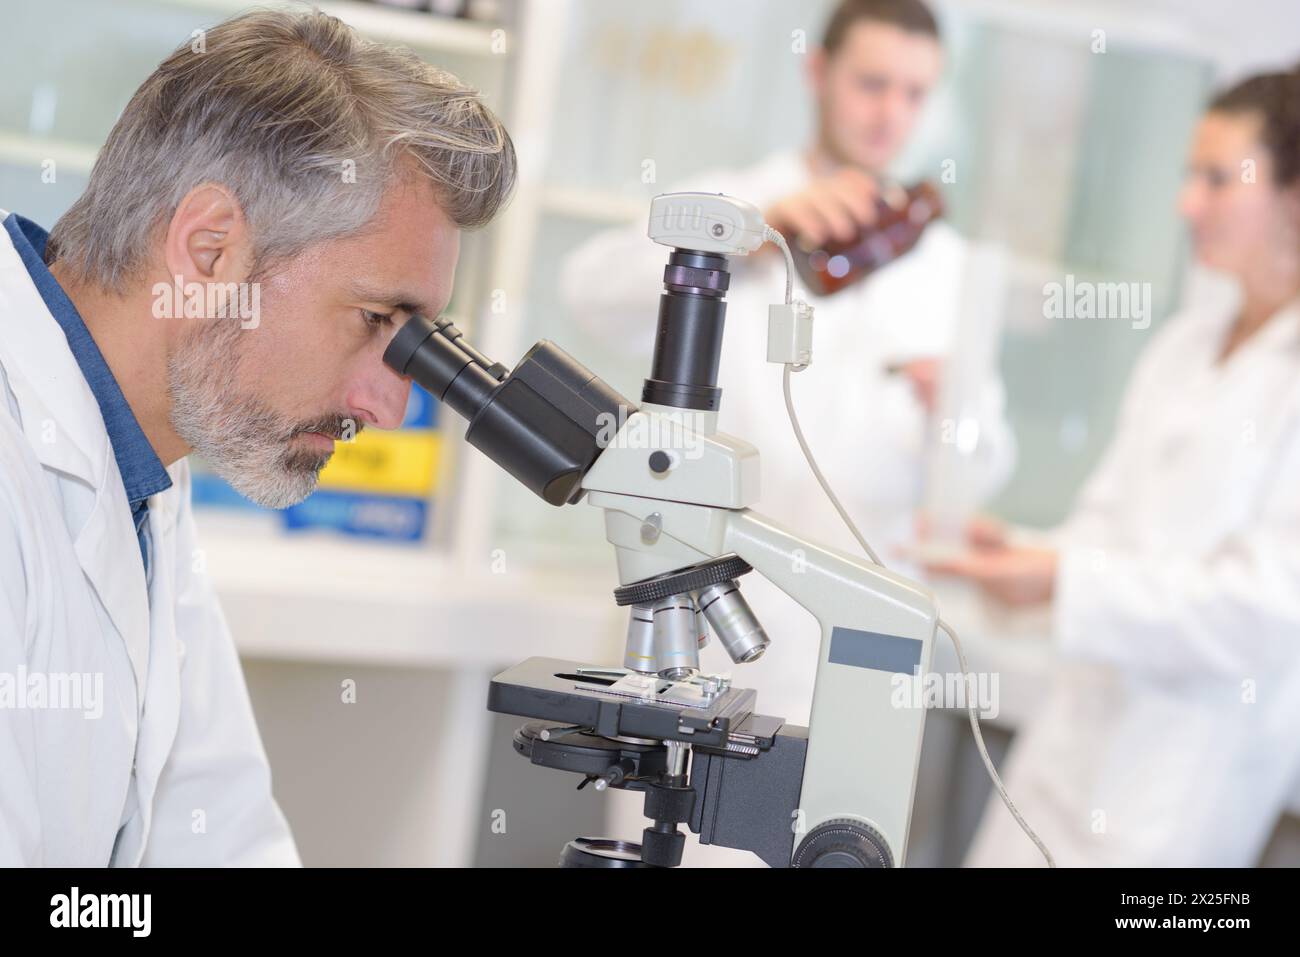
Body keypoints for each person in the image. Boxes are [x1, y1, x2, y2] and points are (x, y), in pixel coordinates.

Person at [0, 10, 515, 865]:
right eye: (377, 319)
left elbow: (222, 829)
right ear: (208, 254)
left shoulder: (143, 469)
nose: (391, 405)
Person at [560, 0, 1014, 727]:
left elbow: (983, 467)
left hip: (871, 623)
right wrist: (758, 227)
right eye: (872, 83)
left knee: (838, 833)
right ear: (818, 71)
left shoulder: (946, 266)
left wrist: (950, 412)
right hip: (717, 598)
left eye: (914, 92)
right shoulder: (736, 204)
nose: (890, 112)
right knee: (686, 824)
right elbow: (589, 291)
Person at [932, 66, 1300, 866]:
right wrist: (1024, 553)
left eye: (1216, 179)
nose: (1185, 205)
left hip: (1180, 779)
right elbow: (1103, 526)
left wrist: (1066, 581)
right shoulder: (1182, 346)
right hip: (1070, 741)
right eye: (1186, 176)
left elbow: (1270, 607)